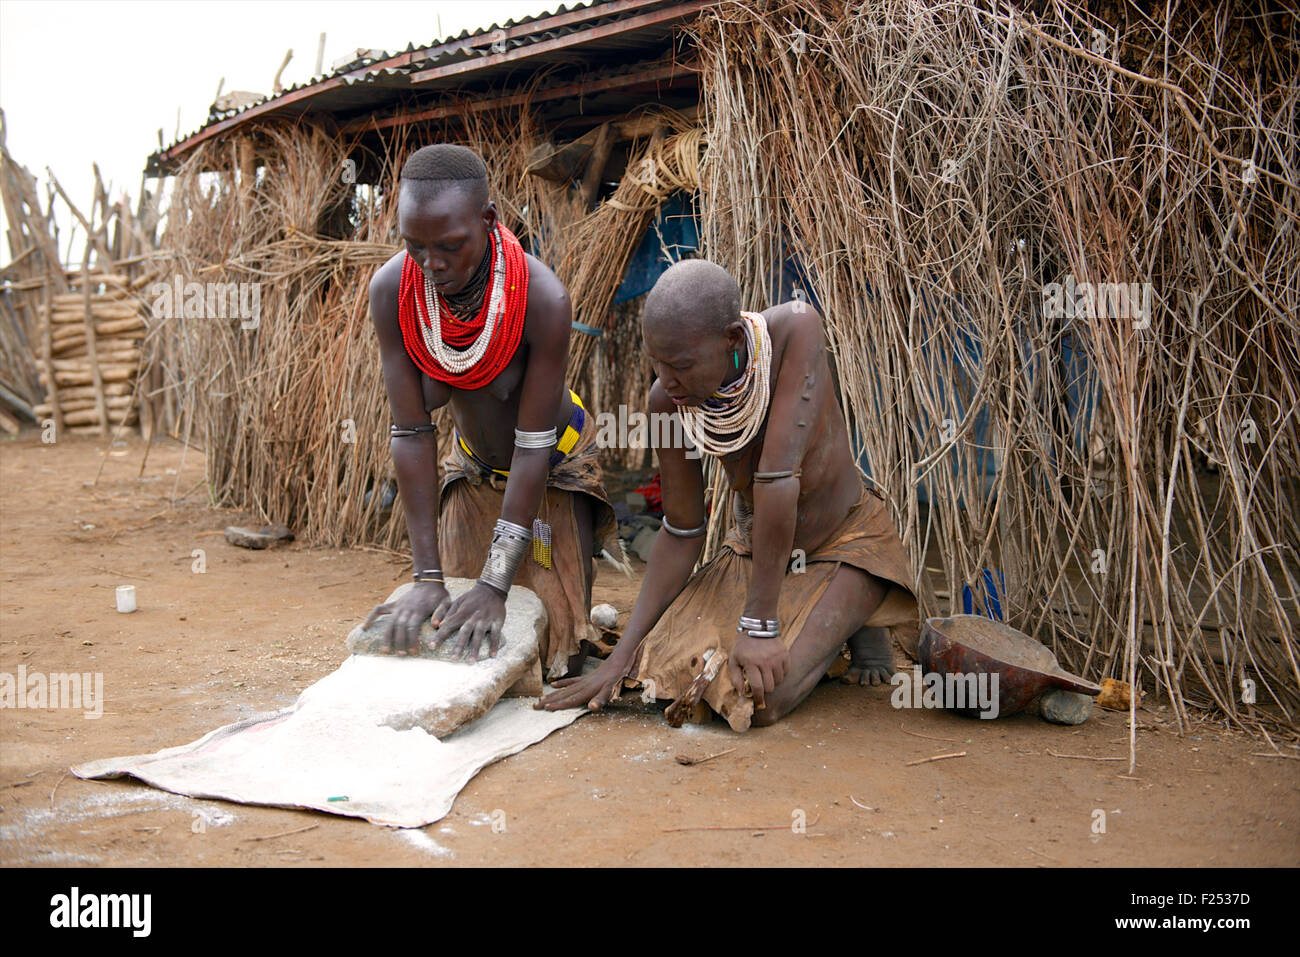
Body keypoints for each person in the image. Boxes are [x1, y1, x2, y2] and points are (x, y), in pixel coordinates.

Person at [538, 259, 917, 729]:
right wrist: (619, 659)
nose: (666, 379)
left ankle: (856, 612)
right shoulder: (667, 401)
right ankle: (820, 621)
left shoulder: (796, 332)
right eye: (656, 361)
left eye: (680, 365)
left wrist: (759, 626)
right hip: (757, 552)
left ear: (733, 340)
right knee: (661, 674)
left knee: (758, 699)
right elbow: (681, 531)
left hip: (843, 541)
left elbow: (777, 478)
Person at [364, 143, 622, 678]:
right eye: (414, 246)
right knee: (450, 644)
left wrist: (495, 582)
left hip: (549, 470)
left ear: (488, 219)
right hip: (474, 470)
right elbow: (411, 431)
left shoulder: (541, 300)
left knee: (555, 665)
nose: (431, 264)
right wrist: (427, 578)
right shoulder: (393, 289)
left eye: (450, 245)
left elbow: (534, 443)